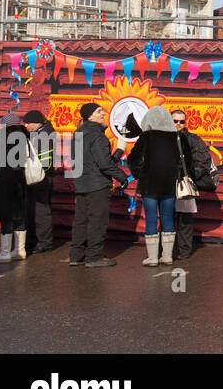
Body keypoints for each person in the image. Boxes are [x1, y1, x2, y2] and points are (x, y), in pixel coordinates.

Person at [69, 102, 130, 267]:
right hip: (97, 185)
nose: (102, 113)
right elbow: (104, 165)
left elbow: (93, 162)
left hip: (82, 183)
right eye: (98, 111)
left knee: (81, 220)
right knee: (97, 220)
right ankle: (94, 256)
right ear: (90, 116)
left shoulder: (78, 133)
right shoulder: (98, 135)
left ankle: (76, 255)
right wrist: (123, 177)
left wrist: (118, 151)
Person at [127, 105, 183, 266]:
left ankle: (152, 258)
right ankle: (167, 256)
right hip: (168, 185)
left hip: (149, 185)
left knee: (151, 219)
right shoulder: (177, 137)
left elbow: (133, 159)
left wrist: (140, 174)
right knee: (168, 219)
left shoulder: (146, 137)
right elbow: (183, 162)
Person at [0, 116, 29, 263]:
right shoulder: (25, 138)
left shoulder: (2, 139)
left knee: (6, 217)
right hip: (21, 181)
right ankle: (20, 250)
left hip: (4, 182)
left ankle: (5, 253)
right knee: (19, 216)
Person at [172, 110, 214, 260]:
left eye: (181, 121)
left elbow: (203, 161)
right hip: (168, 183)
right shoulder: (163, 138)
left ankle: (183, 252)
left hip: (185, 183)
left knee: (185, 220)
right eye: (175, 121)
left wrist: (189, 177)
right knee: (166, 219)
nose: (178, 124)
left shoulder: (192, 139)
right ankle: (166, 251)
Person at [19, 109, 57, 253]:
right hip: (36, 176)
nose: (26, 125)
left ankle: (44, 242)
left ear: (36, 122)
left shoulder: (45, 135)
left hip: (42, 178)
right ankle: (32, 240)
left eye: (28, 123)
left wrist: (39, 174)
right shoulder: (38, 134)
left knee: (41, 210)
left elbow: (46, 160)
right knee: (32, 209)